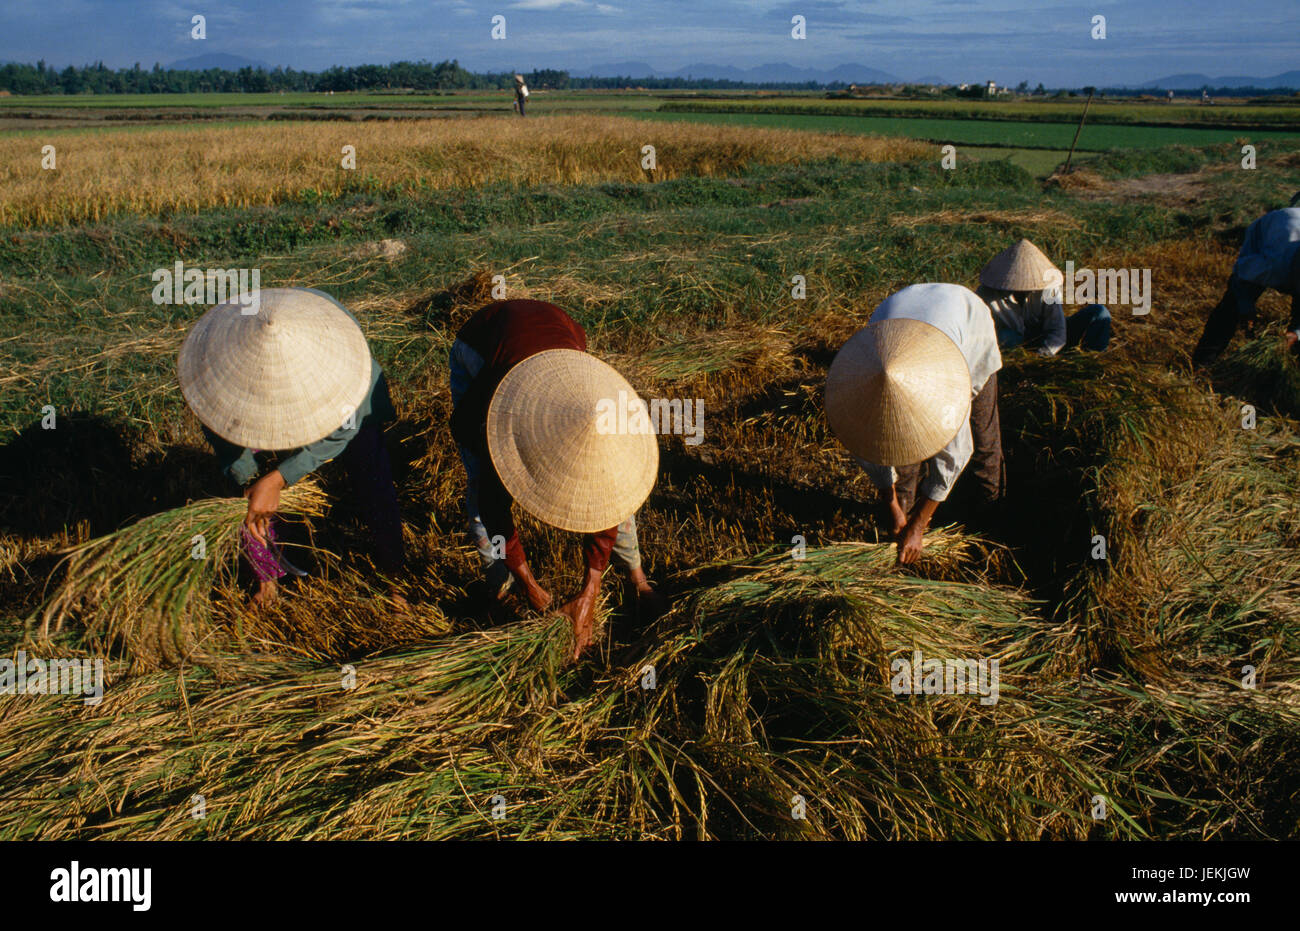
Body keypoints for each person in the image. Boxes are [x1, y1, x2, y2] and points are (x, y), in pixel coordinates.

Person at [449, 299, 660, 658]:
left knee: (613, 489)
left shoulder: (604, 414)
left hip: (560, 329)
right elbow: (493, 507)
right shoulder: (499, 420)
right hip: (482, 346)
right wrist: (529, 585)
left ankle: (637, 575)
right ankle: (500, 588)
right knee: (481, 487)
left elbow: (611, 497)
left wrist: (589, 592)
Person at [177, 287, 404, 604]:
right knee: (253, 502)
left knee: (373, 485)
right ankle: (266, 580)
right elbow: (227, 441)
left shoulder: (346, 371)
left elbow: (340, 434)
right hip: (252, 396)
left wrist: (280, 478)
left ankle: (395, 582)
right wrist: (251, 483)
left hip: (349, 414)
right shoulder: (215, 375)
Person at [825, 283, 1004, 564]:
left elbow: (956, 456)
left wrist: (919, 525)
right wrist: (894, 507)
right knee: (901, 454)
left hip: (967, 324)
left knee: (983, 440)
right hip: (899, 322)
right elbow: (876, 459)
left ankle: (987, 521)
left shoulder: (945, 390)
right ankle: (902, 527)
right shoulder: (857, 402)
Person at [1192, 194, 1300, 366]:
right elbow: (1241, 277)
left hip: (1292, 243)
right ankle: (1202, 363)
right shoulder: (1270, 265)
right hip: (1271, 232)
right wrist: (1246, 307)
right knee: (1230, 309)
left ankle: (1287, 369)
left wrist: (1296, 332)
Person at [976, 239, 1111, 354]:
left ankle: (1091, 363)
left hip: (1046, 336)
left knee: (1100, 313)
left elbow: (1057, 330)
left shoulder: (1048, 289)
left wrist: (1043, 355)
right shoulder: (987, 293)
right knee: (1006, 336)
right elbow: (977, 330)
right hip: (1016, 342)